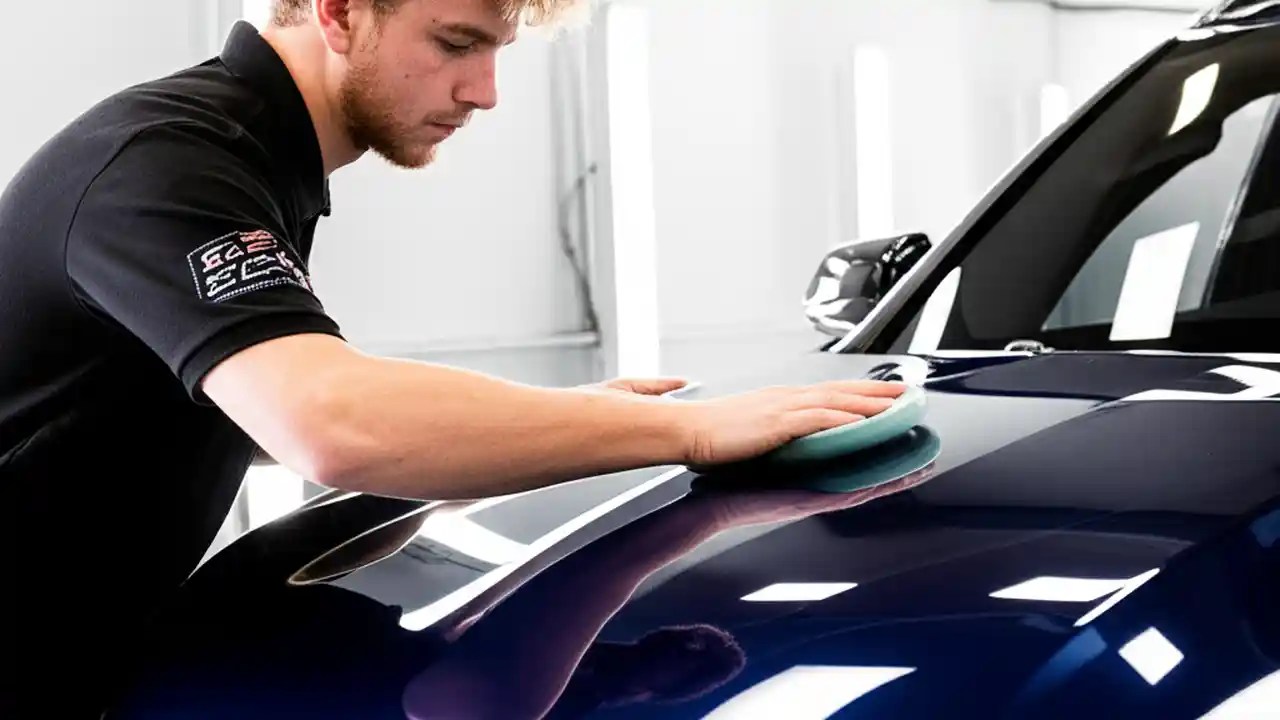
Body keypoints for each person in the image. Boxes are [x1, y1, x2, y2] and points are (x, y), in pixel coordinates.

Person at [0, 0, 904, 716]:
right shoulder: (168, 165)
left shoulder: (245, 157)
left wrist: (559, 422)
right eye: (455, 42)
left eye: (496, 50)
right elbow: (329, 423)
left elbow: (221, 402)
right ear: (341, 11)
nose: (485, 91)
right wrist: (683, 431)